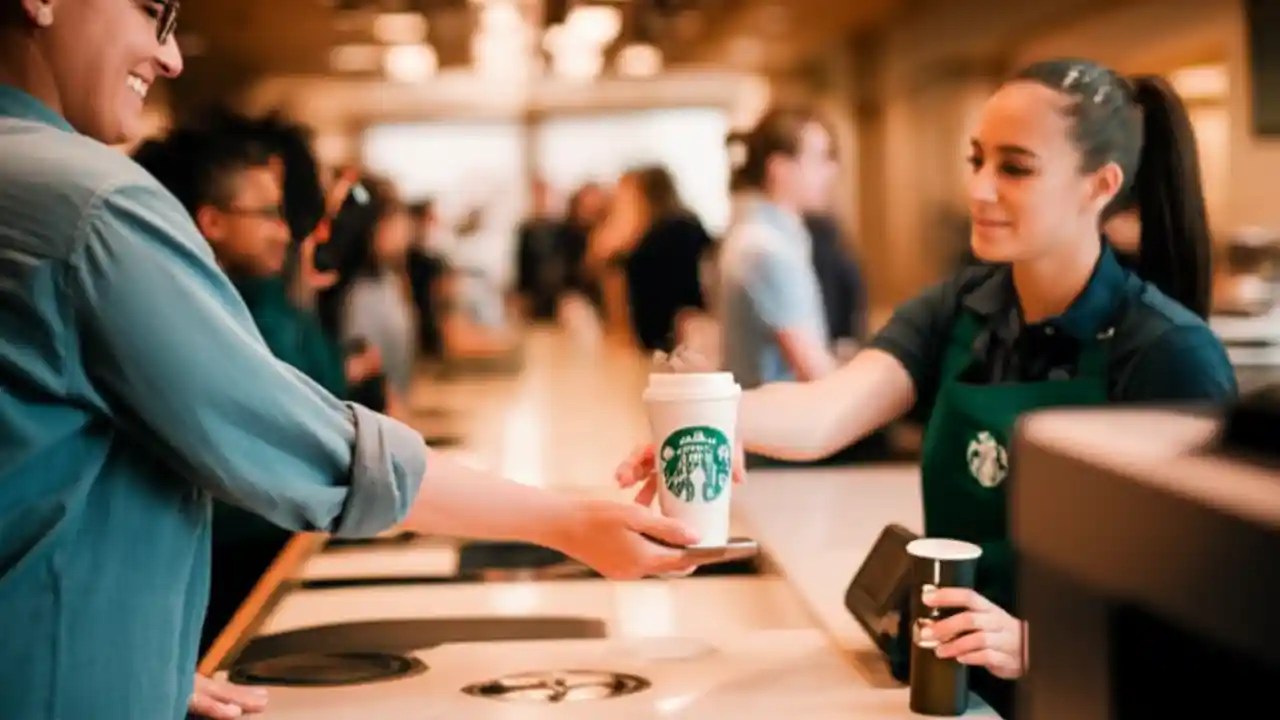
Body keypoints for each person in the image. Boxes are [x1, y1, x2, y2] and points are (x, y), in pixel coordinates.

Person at [0, 4, 702, 720]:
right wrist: (566, 521)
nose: (171, 57)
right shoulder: (88, 207)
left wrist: (132, 652)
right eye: (153, 11)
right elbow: (304, 443)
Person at [619, 58, 1237, 718]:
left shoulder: (1168, 353)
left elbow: (1214, 609)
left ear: (1099, 185)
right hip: (962, 695)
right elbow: (826, 409)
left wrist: (1038, 643)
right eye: (978, 161)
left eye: (1016, 167)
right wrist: (711, 418)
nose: (981, 189)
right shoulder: (960, 309)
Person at [718, 107, 840, 390]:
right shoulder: (766, 249)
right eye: (820, 158)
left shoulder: (765, 236)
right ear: (780, 169)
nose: (832, 170)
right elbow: (815, 371)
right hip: (776, 428)